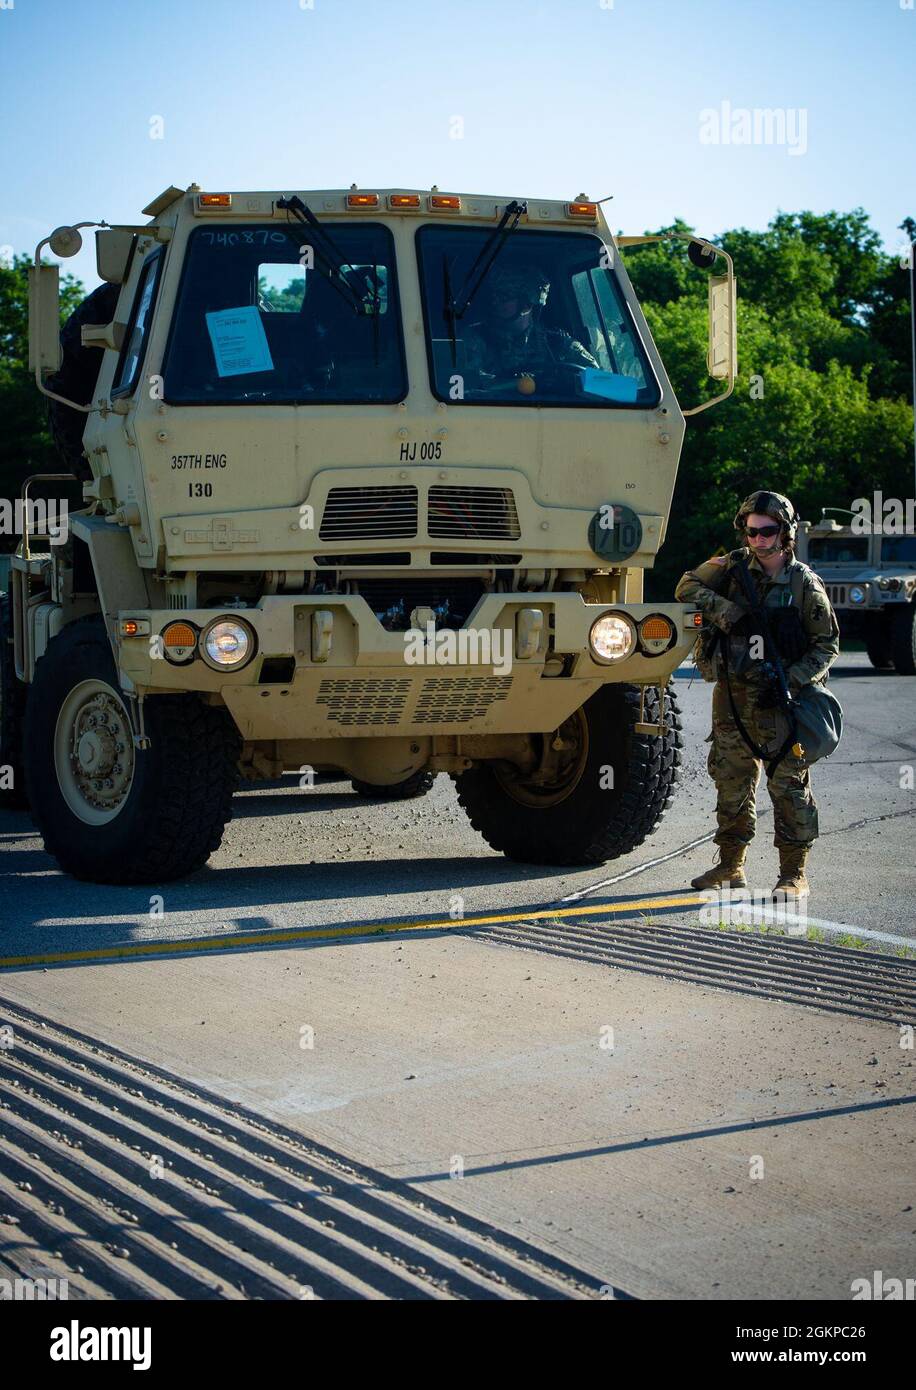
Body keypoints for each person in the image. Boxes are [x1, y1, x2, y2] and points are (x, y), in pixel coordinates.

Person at [675, 490, 840, 898]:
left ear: (783, 533)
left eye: (767, 531)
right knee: (731, 779)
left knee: (787, 785)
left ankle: (793, 874)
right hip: (733, 695)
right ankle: (731, 866)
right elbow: (686, 586)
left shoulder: (803, 582)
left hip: (782, 700)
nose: (758, 540)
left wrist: (794, 681)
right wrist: (727, 612)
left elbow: (827, 644)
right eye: (751, 532)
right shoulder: (730, 568)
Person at [464, 267, 598, 390]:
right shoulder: (477, 339)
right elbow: (466, 382)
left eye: (504, 296)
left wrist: (566, 381)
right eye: (495, 295)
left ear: (527, 303)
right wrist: (513, 383)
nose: (496, 301)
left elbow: (603, 383)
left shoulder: (556, 342)